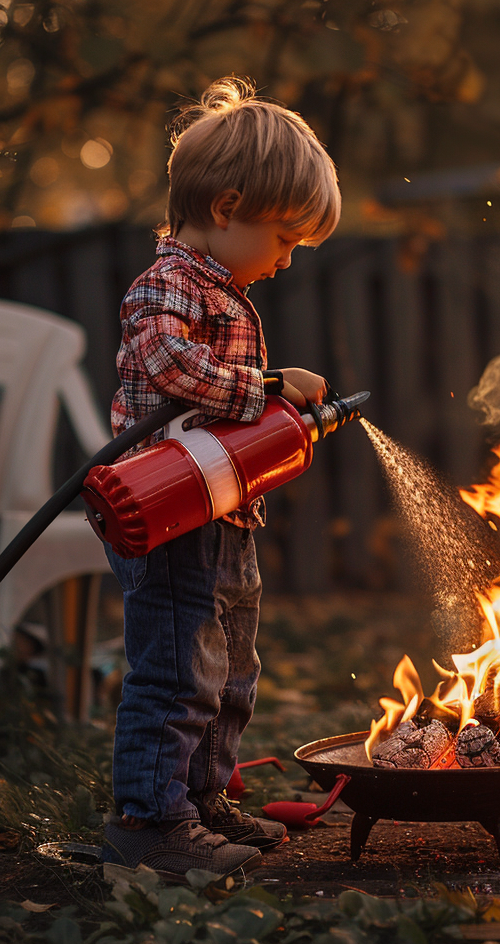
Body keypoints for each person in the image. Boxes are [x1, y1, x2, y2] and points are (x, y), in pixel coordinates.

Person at [100, 78, 341, 882]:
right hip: (169, 519)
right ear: (229, 206)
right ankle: (148, 822)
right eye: (284, 236)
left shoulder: (223, 292)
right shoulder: (165, 284)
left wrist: (276, 405)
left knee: (230, 668)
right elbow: (163, 362)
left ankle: (200, 802)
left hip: (222, 516)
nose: (286, 258)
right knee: (176, 673)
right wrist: (263, 388)